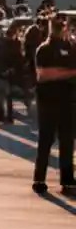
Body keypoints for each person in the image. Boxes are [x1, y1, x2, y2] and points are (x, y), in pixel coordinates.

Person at [32, 16, 76, 195]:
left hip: (69, 102)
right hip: (48, 102)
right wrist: (69, 73)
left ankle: (67, 180)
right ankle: (39, 179)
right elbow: (43, 74)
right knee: (46, 141)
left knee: (67, 142)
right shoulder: (44, 49)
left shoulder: (71, 48)